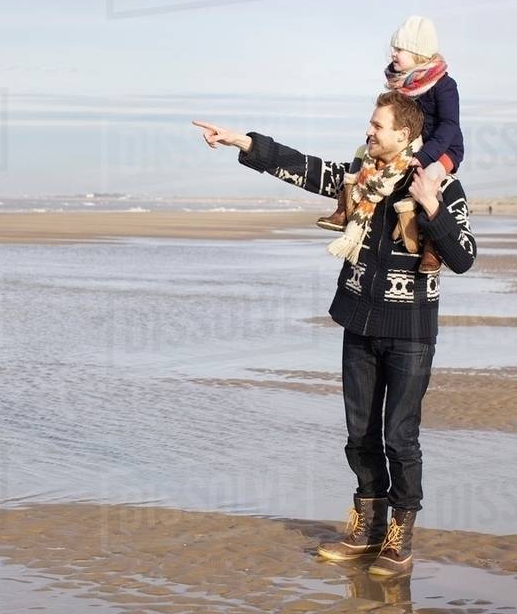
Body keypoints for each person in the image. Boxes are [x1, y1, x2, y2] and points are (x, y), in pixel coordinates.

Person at [192, 91, 477, 578]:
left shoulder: (440, 185)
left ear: (405, 134)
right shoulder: (359, 177)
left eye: (377, 126)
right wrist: (243, 142)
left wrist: (431, 208)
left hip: (410, 331)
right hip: (358, 323)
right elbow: (305, 167)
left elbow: (464, 257)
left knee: (399, 438)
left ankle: (398, 539)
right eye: (370, 124)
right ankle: (366, 530)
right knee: (359, 435)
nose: (369, 132)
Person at [316, 16, 462, 276]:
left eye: (400, 49)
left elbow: (449, 126)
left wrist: (427, 156)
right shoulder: (400, 84)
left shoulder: (444, 85)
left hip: (443, 149)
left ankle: (431, 246)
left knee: (427, 181)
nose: (393, 53)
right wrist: (374, 143)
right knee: (361, 154)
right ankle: (344, 208)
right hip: (410, 144)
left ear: (418, 53)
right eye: (394, 48)